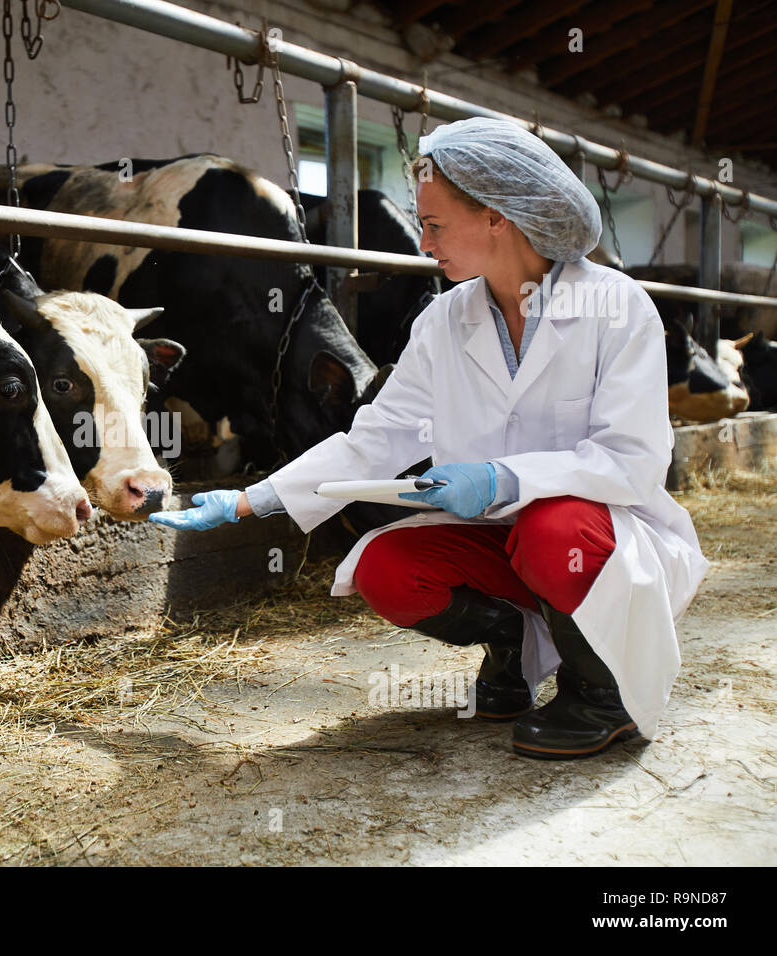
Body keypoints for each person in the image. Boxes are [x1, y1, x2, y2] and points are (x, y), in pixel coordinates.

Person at [150, 117, 708, 760]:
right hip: (501, 540)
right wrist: (251, 500)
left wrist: (505, 477)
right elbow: (375, 439)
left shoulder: (617, 306)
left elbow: (632, 462)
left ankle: (601, 696)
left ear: (498, 217)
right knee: (386, 568)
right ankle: (515, 646)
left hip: (590, 542)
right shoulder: (444, 319)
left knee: (552, 532)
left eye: (436, 224)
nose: (423, 242)